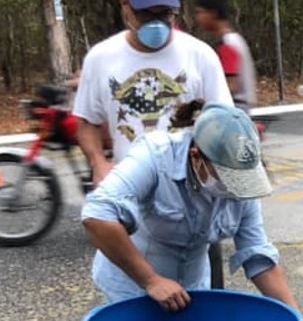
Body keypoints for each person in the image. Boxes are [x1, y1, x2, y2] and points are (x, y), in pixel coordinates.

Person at [81, 101, 303, 321]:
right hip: (132, 286)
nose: (233, 189)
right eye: (225, 178)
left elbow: (258, 257)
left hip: (191, 290)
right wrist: (150, 280)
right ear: (196, 157)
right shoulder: (155, 156)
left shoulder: (244, 183)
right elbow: (97, 216)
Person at [73, 0, 233, 186]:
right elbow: (87, 122)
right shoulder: (100, 58)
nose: (156, 23)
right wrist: (98, 163)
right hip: (129, 187)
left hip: (187, 187)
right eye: (146, 14)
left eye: (165, 14)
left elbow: (224, 121)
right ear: (125, 5)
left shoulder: (200, 56)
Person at [193, 0, 258, 113]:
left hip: (234, 109)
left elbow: (231, 86)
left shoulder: (227, 43)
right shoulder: (235, 39)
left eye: (200, 12)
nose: (198, 18)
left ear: (213, 13)